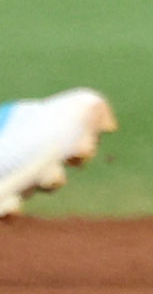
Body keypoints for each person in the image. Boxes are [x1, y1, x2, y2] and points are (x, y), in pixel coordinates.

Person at [0, 88, 113, 218]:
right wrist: (88, 138)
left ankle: (9, 199)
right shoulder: (77, 109)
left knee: (51, 176)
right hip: (27, 152)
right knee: (51, 176)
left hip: (17, 128)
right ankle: (8, 200)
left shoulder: (55, 116)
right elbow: (95, 103)